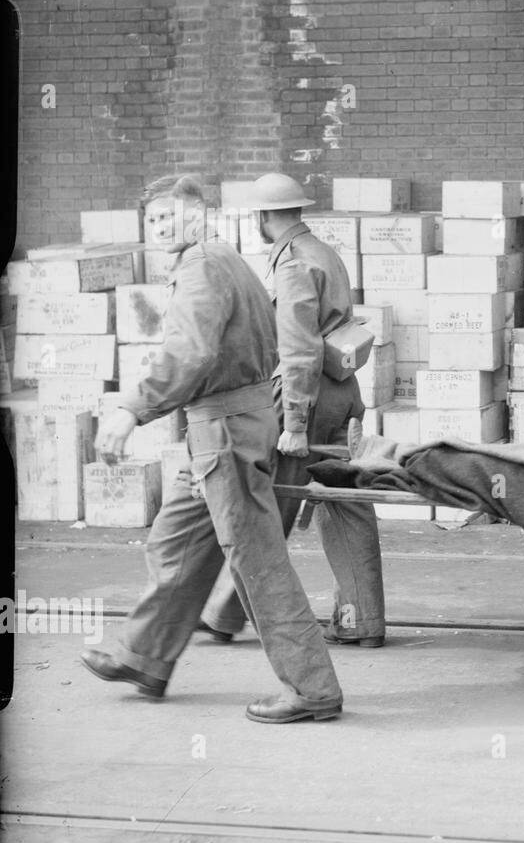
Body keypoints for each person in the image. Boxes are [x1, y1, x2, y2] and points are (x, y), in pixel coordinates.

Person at [83, 173, 344, 723]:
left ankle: (312, 688)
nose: (159, 228)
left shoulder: (202, 265)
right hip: (224, 427)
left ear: (197, 216)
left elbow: (191, 353)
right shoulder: (221, 256)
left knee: (257, 560)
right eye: (151, 218)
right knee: (176, 539)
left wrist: (132, 409)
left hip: (225, 432)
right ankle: (144, 655)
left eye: (169, 216)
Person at [197, 172, 386, 648]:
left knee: (267, 504)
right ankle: (362, 620)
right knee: (343, 505)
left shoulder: (294, 265)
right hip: (342, 393)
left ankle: (229, 614)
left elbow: (299, 348)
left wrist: (295, 424)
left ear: (263, 216)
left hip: (306, 397)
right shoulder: (324, 252)